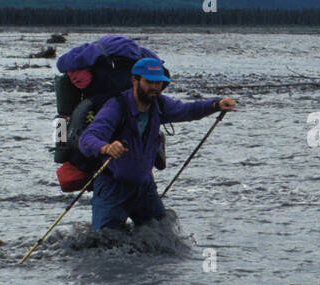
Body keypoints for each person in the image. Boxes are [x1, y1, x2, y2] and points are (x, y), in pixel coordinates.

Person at [77, 57, 235, 231]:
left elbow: (187, 110)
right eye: (149, 82)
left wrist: (215, 104)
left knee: (162, 233)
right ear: (134, 80)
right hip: (112, 187)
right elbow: (87, 139)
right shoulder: (116, 107)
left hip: (144, 189)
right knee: (105, 241)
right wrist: (106, 147)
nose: (155, 87)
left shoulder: (160, 104)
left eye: (159, 82)